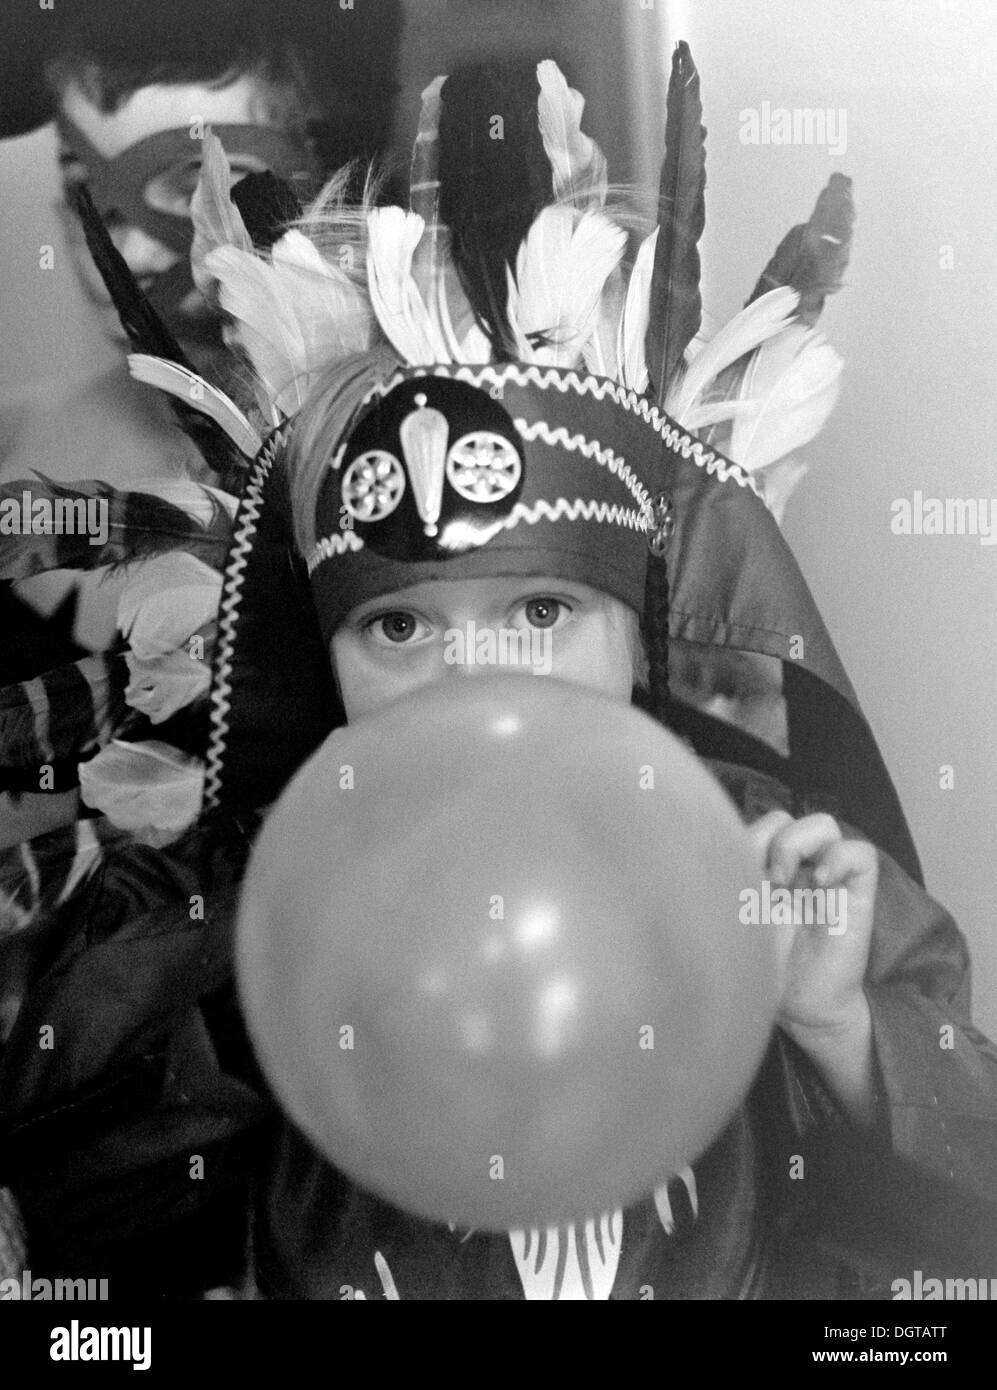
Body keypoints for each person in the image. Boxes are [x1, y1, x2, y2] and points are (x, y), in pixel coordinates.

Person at [2, 49, 995, 1300]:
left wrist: (840, 1031)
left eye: (539, 610)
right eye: (402, 630)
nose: (476, 684)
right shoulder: (204, 896)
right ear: (327, 650)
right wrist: (260, 990)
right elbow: (75, 1215)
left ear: (640, 634)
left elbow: (961, 1220)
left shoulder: (774, 864)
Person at [0, 0, 402, 844]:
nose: (132, 251)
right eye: (83, 184)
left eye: (190, 183)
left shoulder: (427, 453)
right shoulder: (19, 446)